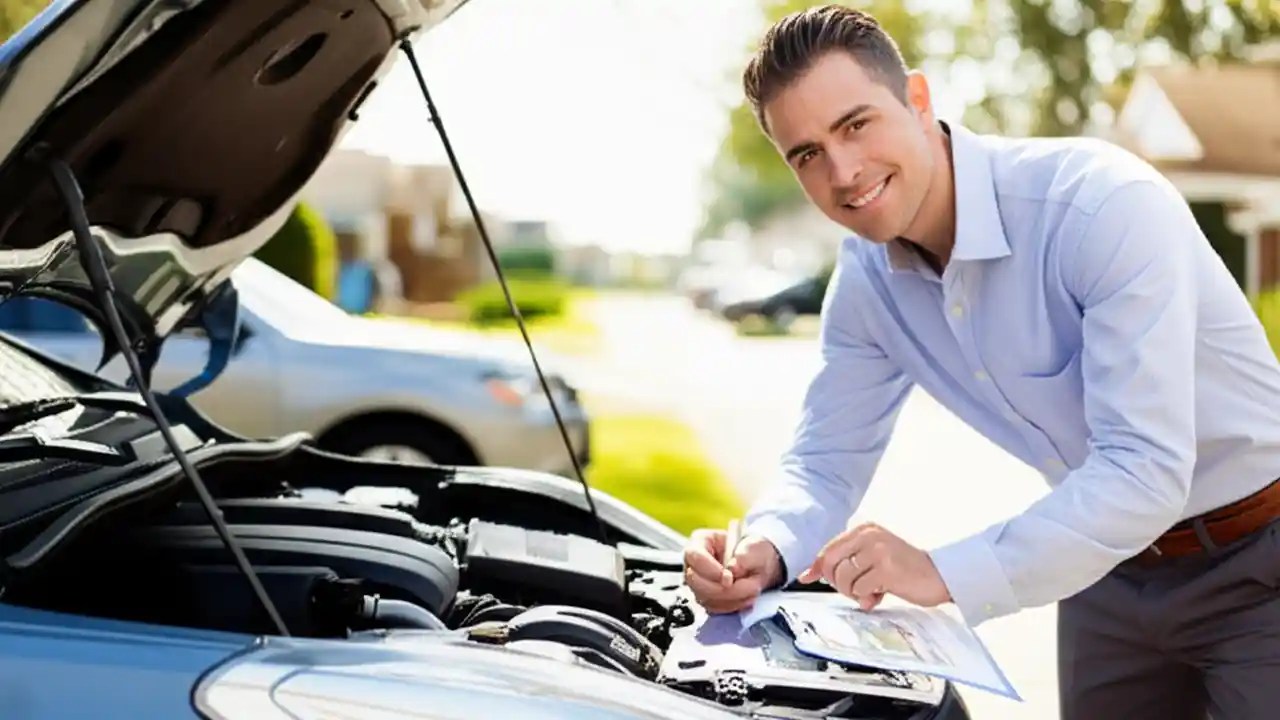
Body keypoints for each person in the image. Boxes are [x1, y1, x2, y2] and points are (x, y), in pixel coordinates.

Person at [681, 5, 1280, 718]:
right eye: (807, 154)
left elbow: (1144, 469)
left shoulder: (1100, 207)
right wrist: (767, 548)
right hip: (1104, 574)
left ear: (918, 98)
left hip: (1260, 563)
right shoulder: (866, 284)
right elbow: (824, 459)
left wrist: (937, 571)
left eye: (856, 125)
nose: (843, 171)